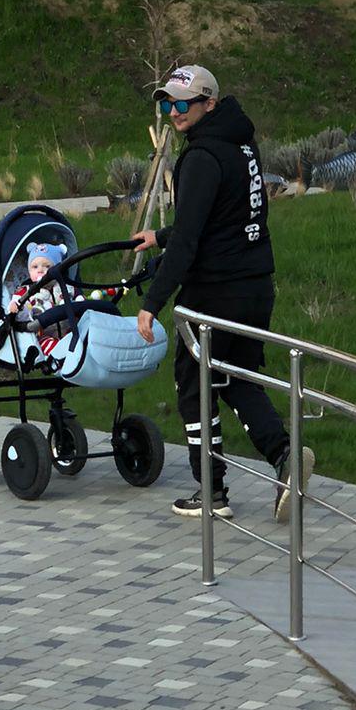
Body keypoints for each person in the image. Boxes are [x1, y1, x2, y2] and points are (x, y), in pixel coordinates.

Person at [132, 65, 312, 521]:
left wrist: (152, 303)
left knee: (194, 385)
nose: (174, 113)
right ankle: (285, 457)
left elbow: (191, 241)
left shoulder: (200, 157)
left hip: (212, 292)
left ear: (208, 103)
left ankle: (211, 490)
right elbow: (227, 214)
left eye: (182, 104)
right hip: (255, 285)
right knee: (236, 378)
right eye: (167, 105)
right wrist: (161, 235)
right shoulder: (242, 145)